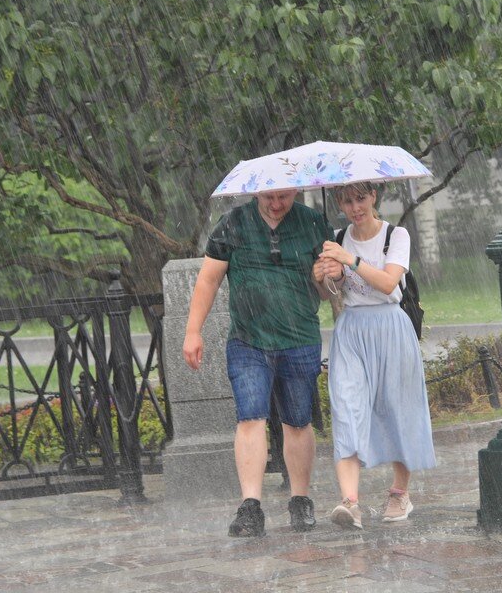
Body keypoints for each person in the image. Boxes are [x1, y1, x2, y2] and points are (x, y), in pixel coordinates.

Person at [182, 188, 342, 537]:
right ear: (257, 192)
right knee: (250, 416)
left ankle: (300, 500)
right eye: (269, 197)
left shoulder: (315, 223)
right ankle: (250, 506)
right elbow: (208, 279)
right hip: (248, 340)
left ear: (296, 192)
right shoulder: (233, 224)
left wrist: (330, 275)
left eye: (283, 196)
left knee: (298, 420)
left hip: (299, 337)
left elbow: (331, 292)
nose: (276, 203)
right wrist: (194, 330)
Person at [312, 182, 436, 530]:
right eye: (347, 200)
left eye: (361, 199)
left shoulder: (396, 236)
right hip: (351, 331)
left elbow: (387, 283)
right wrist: (324, 275)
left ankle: (400, 493)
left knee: (398, 408)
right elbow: (327, 294)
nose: (355, 207)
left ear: (373, 197)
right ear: (339, 202)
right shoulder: (336, 238)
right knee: (347, 407)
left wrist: (349, 259)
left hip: (391, 329)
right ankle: (350, 502)